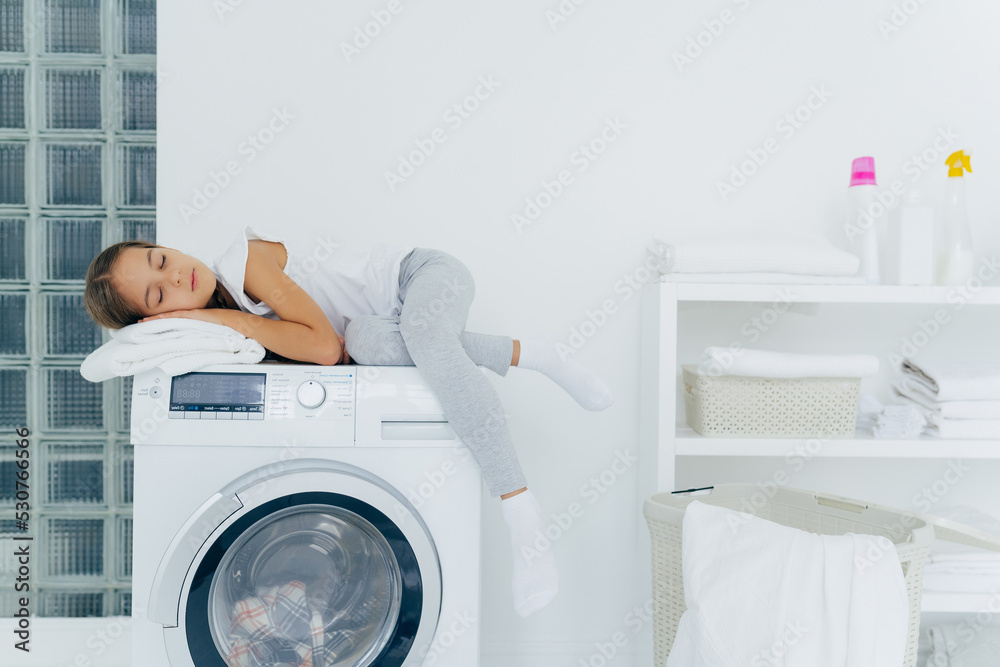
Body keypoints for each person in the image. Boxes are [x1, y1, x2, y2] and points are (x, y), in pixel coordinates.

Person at [84, 227, 614, 617]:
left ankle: (521, 514)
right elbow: (338, 354)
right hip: (381, 330)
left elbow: (320, 345)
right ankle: (538, 356)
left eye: (160, 258)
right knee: (369, 343)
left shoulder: (241, 263)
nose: (175, 273)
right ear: (160, 320)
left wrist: (216, 316)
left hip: (425, 274)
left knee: (405, 340)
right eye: (160, 292)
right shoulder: (233, 338)